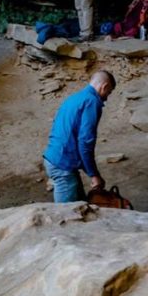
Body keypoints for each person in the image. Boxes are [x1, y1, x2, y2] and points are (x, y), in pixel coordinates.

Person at [41, 70, 114, 203]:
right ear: (104, 86)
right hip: (63, 165)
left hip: (56, 158)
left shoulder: (76, 97)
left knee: (82, 206)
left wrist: (92, 174)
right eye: (108, 93)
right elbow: (85, 142)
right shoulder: (92, 101)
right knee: (65, 215)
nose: (106, 98)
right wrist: (94, 175)